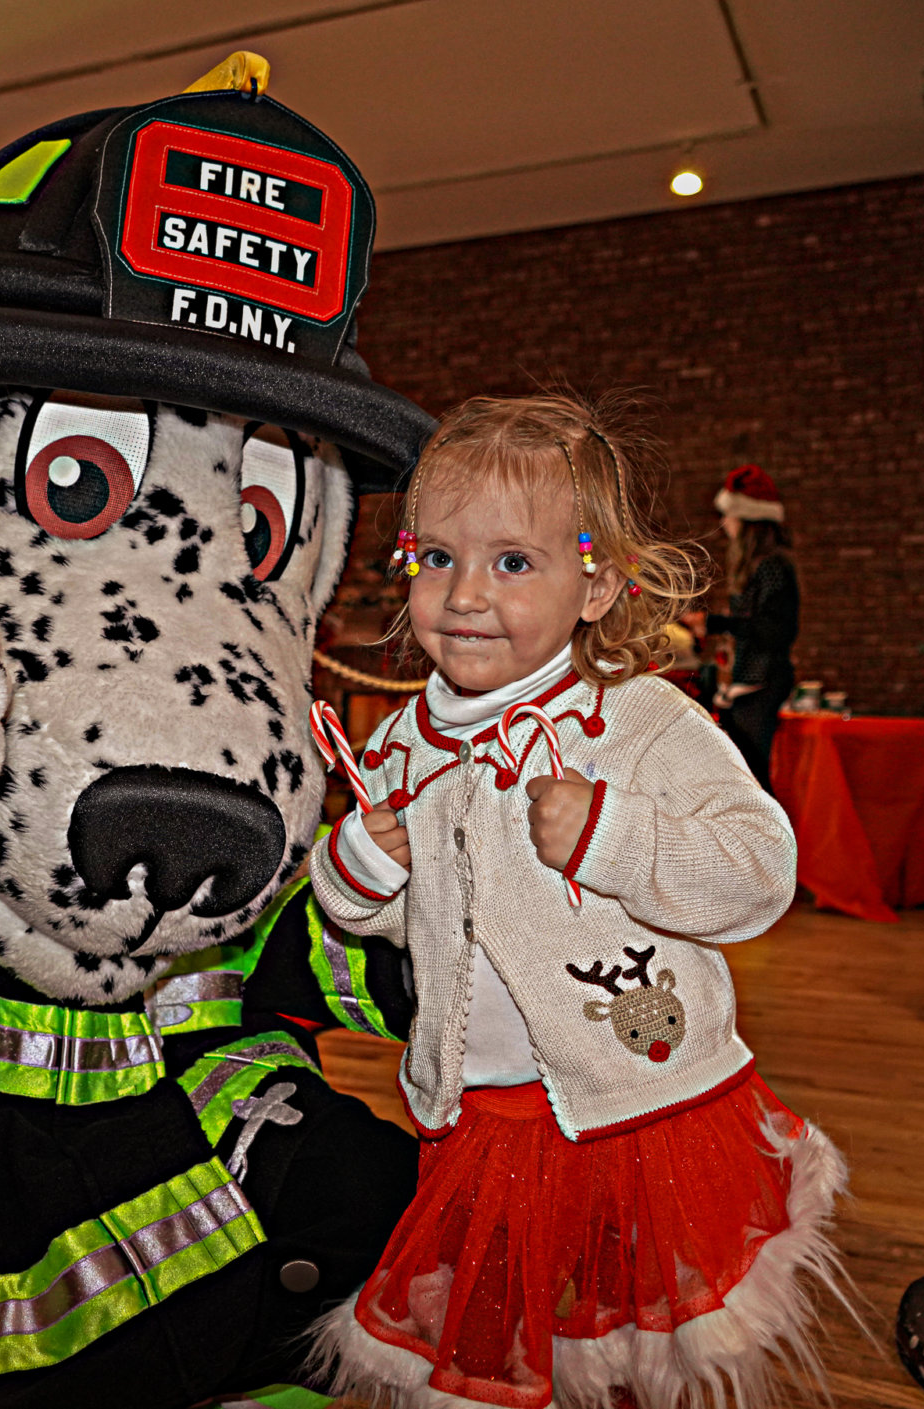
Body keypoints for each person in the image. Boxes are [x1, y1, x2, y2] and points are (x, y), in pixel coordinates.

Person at [307, 395, 851, 1409]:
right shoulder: (397, 743)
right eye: (434, 557)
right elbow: (397, 922)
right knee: (498, 1347)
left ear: (594, 581)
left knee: (637, 1342)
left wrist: (618, 834)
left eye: (512, 561)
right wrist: (358, 874)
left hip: (636, 1108)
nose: (463, 593)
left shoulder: (641, 721)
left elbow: (757, 866)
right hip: (477, 1116)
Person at [683, 464, 800, 792]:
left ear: (748, 520)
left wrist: (715, 623)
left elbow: (772, 629)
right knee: (747, 779)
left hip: (762, 683)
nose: (725, 524)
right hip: (750, 681)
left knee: (754, 783)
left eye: (729, 516)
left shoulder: (773, 567)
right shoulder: (762, 567)